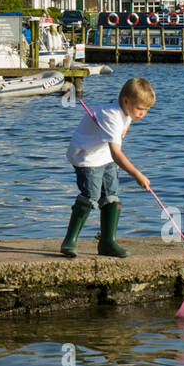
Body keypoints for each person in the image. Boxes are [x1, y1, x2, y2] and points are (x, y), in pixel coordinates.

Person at [60, 77, 155, 259]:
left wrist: (116, 164)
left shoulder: (128, 113)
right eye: (140, 109)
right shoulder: (111, 115)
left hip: (106, 156)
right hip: (86, 156)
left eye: (147, 110)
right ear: (126, 100)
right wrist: (137, 175)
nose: (142, 114)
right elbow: (116, 153)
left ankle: (107, 242)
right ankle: (69, 240)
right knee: (91, 196)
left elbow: (120, 138)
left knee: (112, 195)